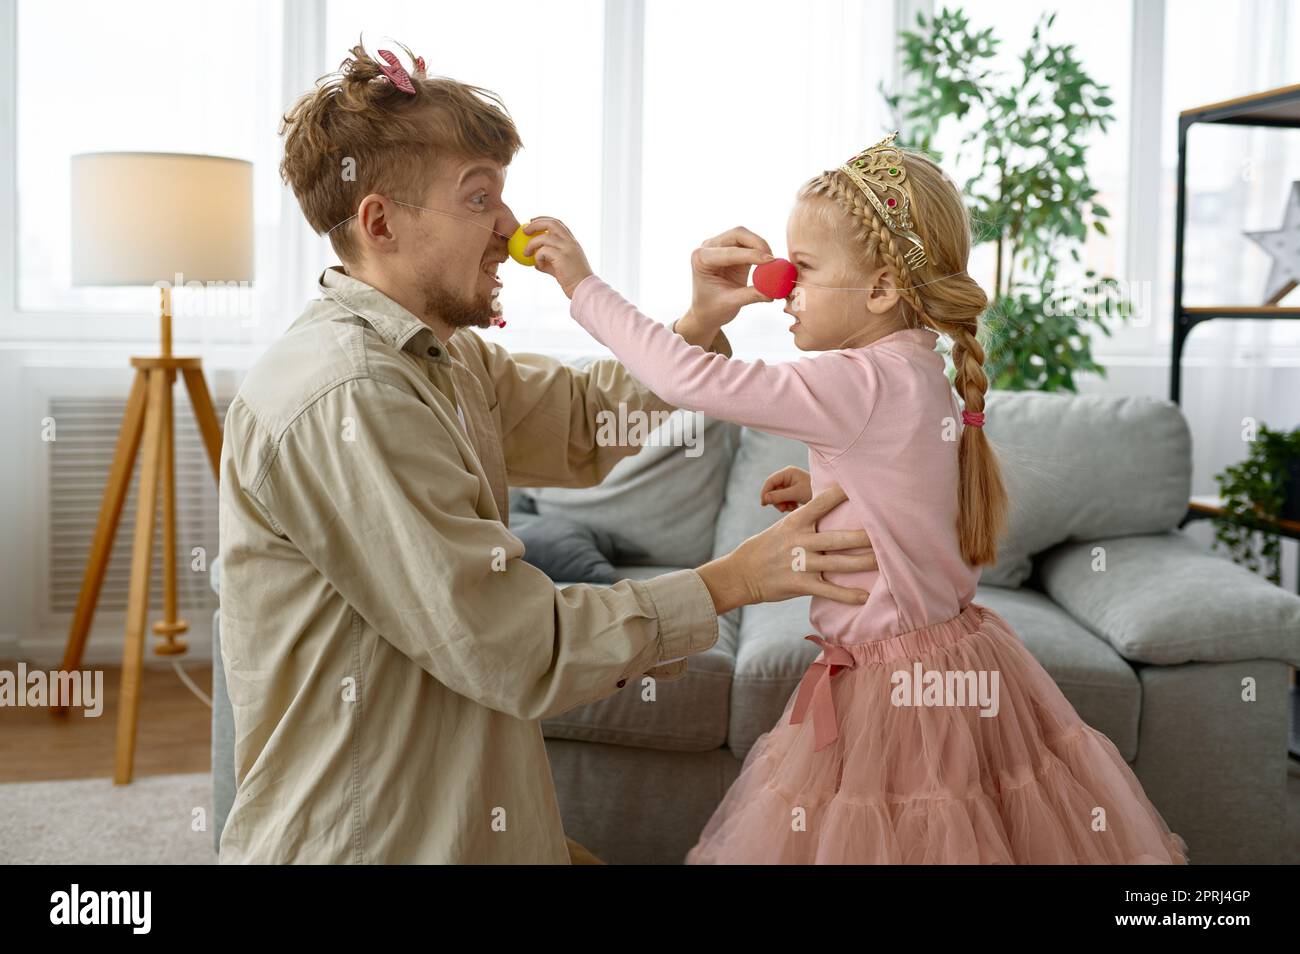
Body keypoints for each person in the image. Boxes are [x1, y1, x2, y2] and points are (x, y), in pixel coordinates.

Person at [216, 42, 877, 864]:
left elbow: (584, 419)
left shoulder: (444, 357)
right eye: (480, 197)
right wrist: (735, 579)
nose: (511, 227)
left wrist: (697, 325)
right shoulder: (352, 395)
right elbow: (510, 645)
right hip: (378, 839)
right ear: (380, 222)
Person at [529, 131, 1190, 864]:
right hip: (958, 658)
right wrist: (837, 493)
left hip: (891, 688)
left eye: (803, 268)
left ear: (880, 289)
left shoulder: (854, 378)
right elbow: (910, 488)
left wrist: (583, 287)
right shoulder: (918, 368)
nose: (779, 283)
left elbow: (693, 382)